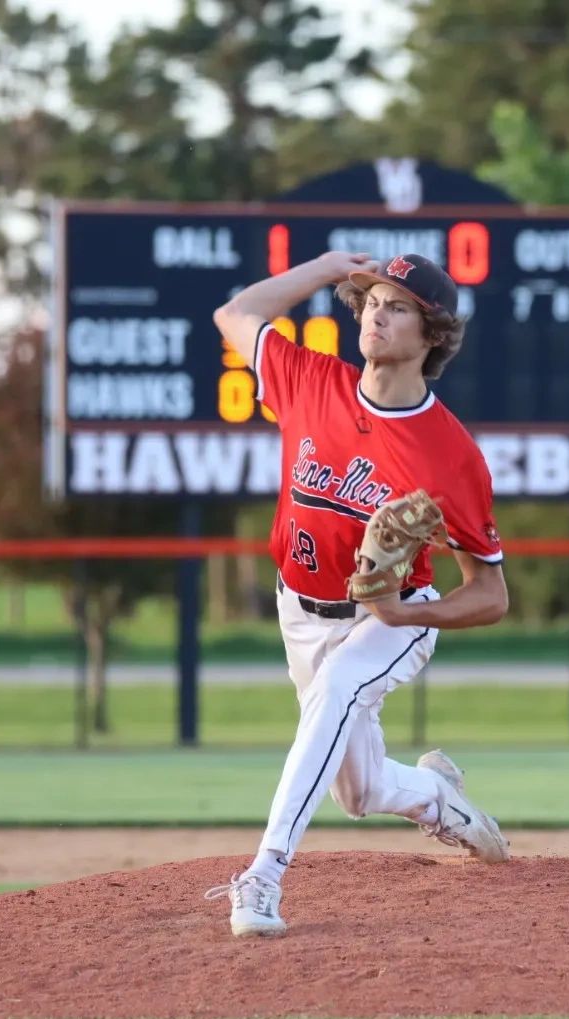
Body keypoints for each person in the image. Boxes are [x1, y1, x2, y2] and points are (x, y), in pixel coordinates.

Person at [206, 251, 510, 937]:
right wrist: (319, 269)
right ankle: (439, 798)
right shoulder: (311, 379)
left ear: (432, 334)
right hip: (299, 609)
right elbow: (236, 314)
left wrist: (403, 611)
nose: (378, 312)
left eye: (398, 305)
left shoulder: (449, 453)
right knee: (360, 790)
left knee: (342, 685)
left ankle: (263, 876)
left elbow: (491, 593)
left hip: (394, 618)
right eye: (372, 299)